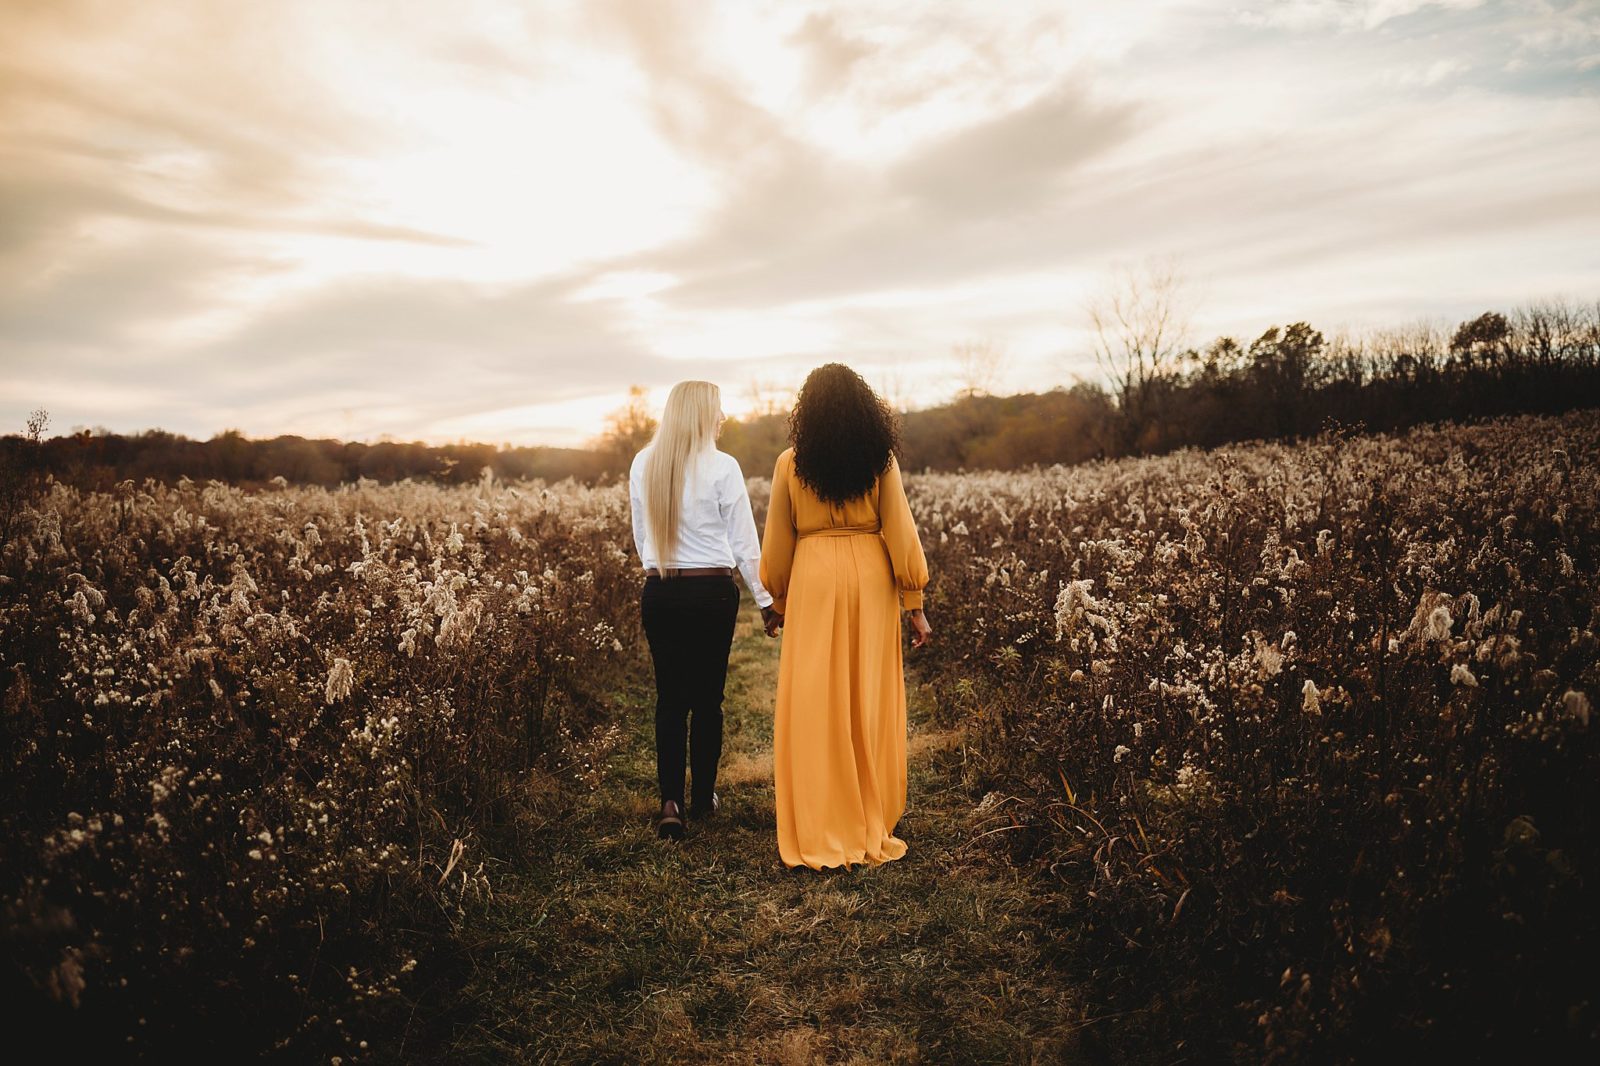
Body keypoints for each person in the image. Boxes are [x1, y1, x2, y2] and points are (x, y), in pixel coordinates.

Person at [759, 363, 932, 870]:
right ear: (864, 409)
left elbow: (777, 541)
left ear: (805, 414)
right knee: (867, 696)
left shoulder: (789, 464)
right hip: (870, 578)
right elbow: (900, 531)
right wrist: (914, 604)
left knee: (816, 697)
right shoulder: (879, 461)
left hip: (813, 578)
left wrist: (780, 602)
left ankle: (823, 813)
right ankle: (870, 807)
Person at [630, 380, 780, 841]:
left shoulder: (644, 463)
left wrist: (661, 569)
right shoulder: (723, 466)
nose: (724, 418)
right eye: (718, 410)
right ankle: (703, 797)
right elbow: (743, 541)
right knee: (707, 698)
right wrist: (767, 601)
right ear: (701, 415)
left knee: (670, 699)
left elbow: (642, 538)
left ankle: (670, 800)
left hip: (660, 591)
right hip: (712, 592)